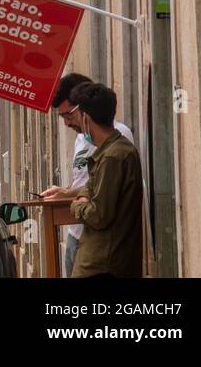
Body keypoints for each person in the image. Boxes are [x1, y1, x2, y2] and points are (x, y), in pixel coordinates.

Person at [40, 73, 134, 276]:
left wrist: (78, 203)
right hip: (80, 236)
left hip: (103, 251)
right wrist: (67, 193)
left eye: (68, 115)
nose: (67, 123)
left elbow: (100, 211)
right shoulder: (88, 141)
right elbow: (89, 185)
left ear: (85, 113)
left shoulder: (114, 151)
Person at [64, 82, 143, 278]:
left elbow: (99, 215)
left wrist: (77, 206)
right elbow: (87, 189)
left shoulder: (113, 156)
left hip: (103, 266)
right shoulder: (109, 151)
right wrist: (83, 197)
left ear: (85, 117)